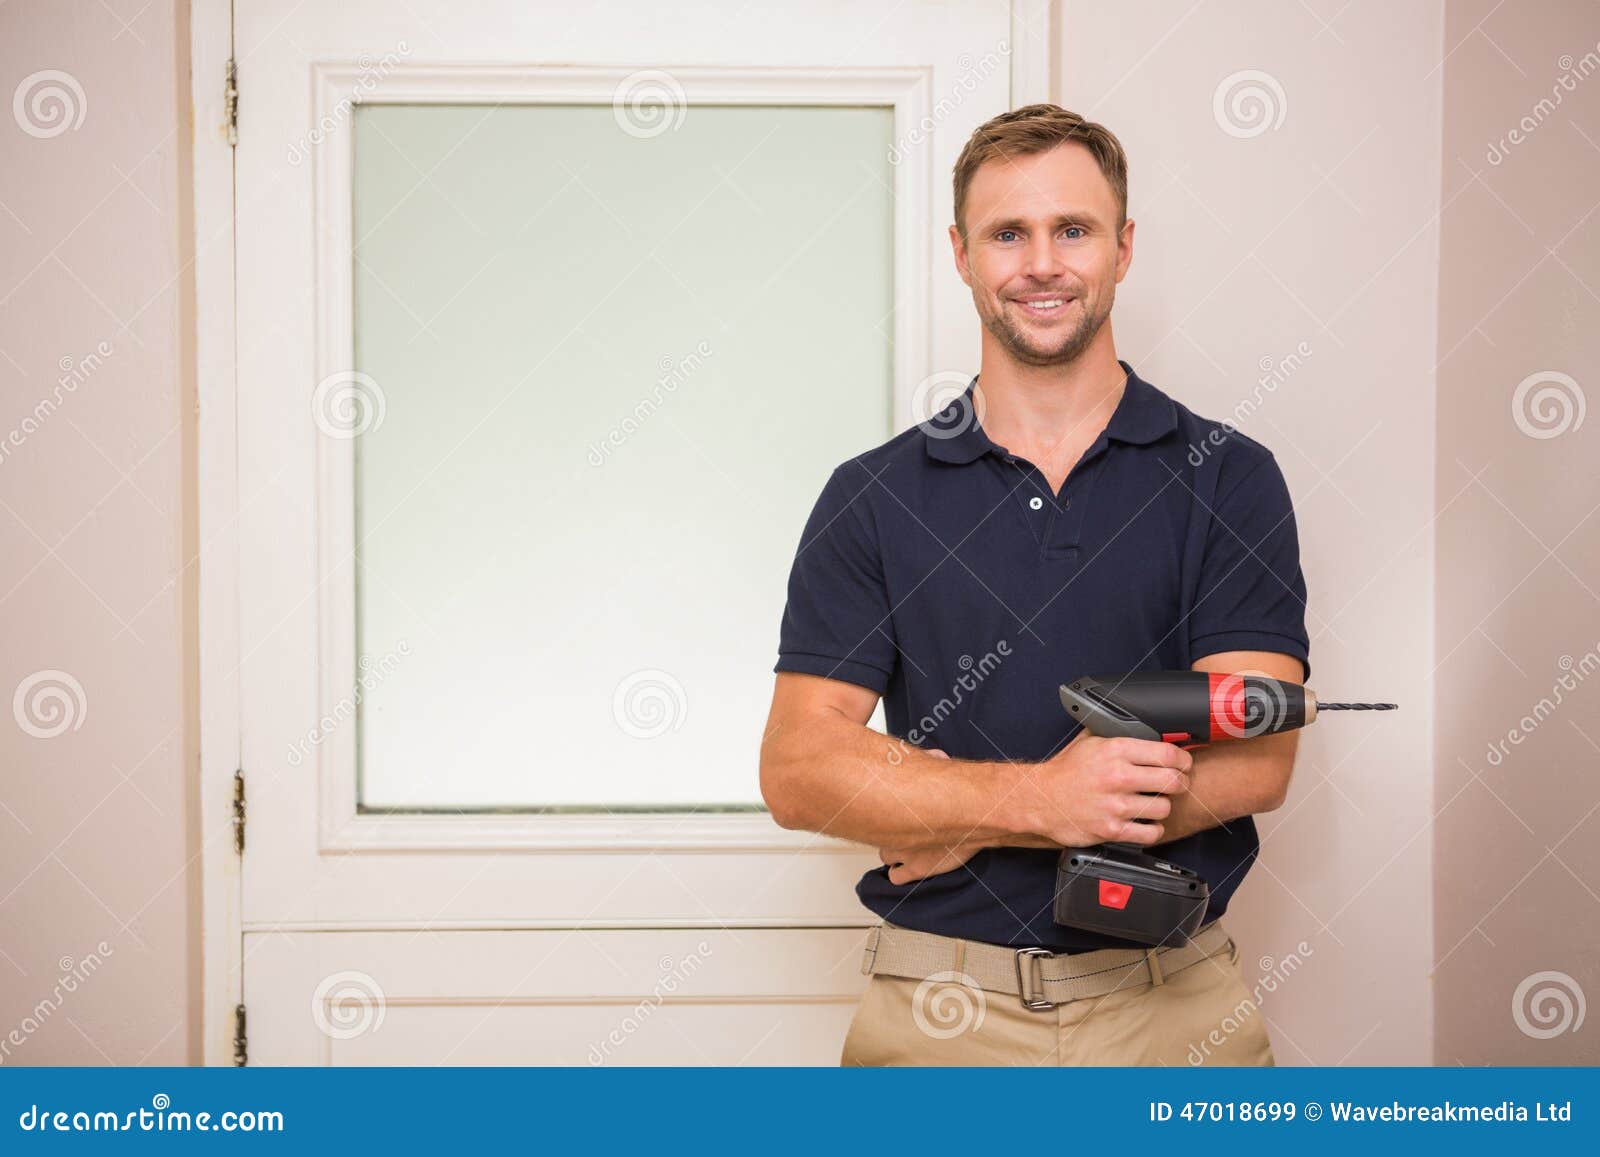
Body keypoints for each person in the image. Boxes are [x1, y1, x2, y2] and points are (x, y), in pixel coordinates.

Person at [759, 104, 1309, 1066]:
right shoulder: (873, 495)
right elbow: (799, 769)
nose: (1042, 263)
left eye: (1074, 229)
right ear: (962, 256)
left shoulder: (1228, 474)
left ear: (1124, 248)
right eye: (1008, 233)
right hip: (935, 1016)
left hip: (1170, 1013)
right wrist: (1037, 801)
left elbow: (1258, 756)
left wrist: (957, 813)